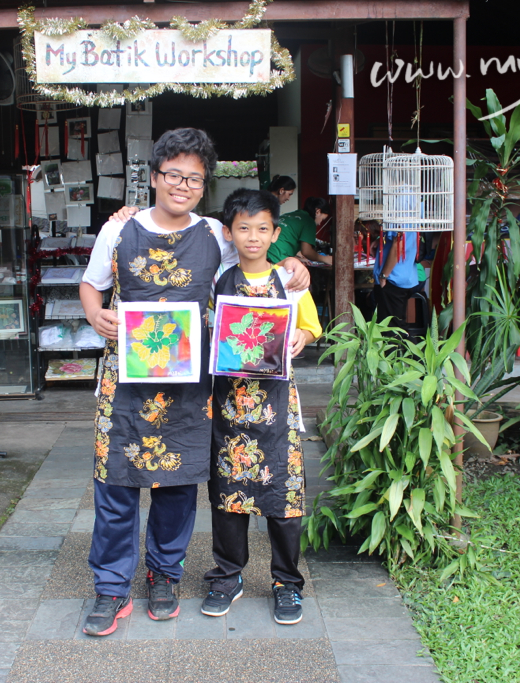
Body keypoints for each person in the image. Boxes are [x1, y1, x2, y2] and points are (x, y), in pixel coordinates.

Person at [78, 128, 311, 638]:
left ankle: (165, 575)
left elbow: (258, 261)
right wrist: (96, 314)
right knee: (116, 485)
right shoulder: (117, 231)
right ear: (155, 177)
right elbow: (92, 285)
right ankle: (111, 587)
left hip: (188, 387)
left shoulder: (214, 234)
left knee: (178, 486)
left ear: (204, 186)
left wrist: (293, 265)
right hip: (125, 384)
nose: (182, 185)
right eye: (174, 175)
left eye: (194, 178)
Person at [201, 189, 322, 625]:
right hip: (229, 406)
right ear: (229, 232)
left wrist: (301, 338)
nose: (253, 237)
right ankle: (228, 575)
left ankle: (286, 583)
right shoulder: (218, 280)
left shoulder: (289, 280)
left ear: (276, 232)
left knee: (283, 495)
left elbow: (310, 328)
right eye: (243, 228)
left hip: (276, 408)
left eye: (262, 228)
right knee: (228, 494)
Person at [374, 228, 420, 331]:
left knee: (389, 329)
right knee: (398, 325)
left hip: (392, 278)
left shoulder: (400, 215)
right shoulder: (414, 215)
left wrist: (383, 275)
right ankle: (410, 346)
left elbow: (397, 246)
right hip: (406, 275)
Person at [267, 197, 333, 266]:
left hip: (263, 257)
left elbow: (283, 241)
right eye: (322, 219)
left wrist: (297, 258)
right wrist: (325, 259)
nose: (320, 223)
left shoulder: (288, 215)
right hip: (276, 260)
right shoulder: (309, 221)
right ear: (318, 212)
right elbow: (307, 252)